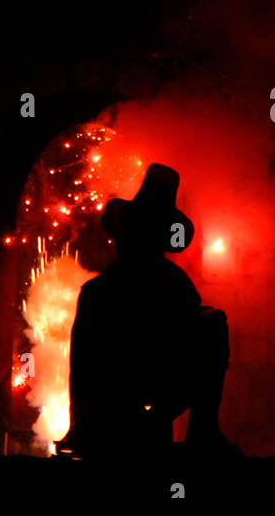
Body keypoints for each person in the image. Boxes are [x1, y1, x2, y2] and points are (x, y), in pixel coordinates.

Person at [62, 163, 237, 461]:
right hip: (130, 402)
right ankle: (203, 432)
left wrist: (82, 424)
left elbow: (81, 368)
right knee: (213, 325)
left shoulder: (101, 290)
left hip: (123, 403)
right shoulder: (170, 285)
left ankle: (202, 432)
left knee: (212, 325)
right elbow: (84, 367)